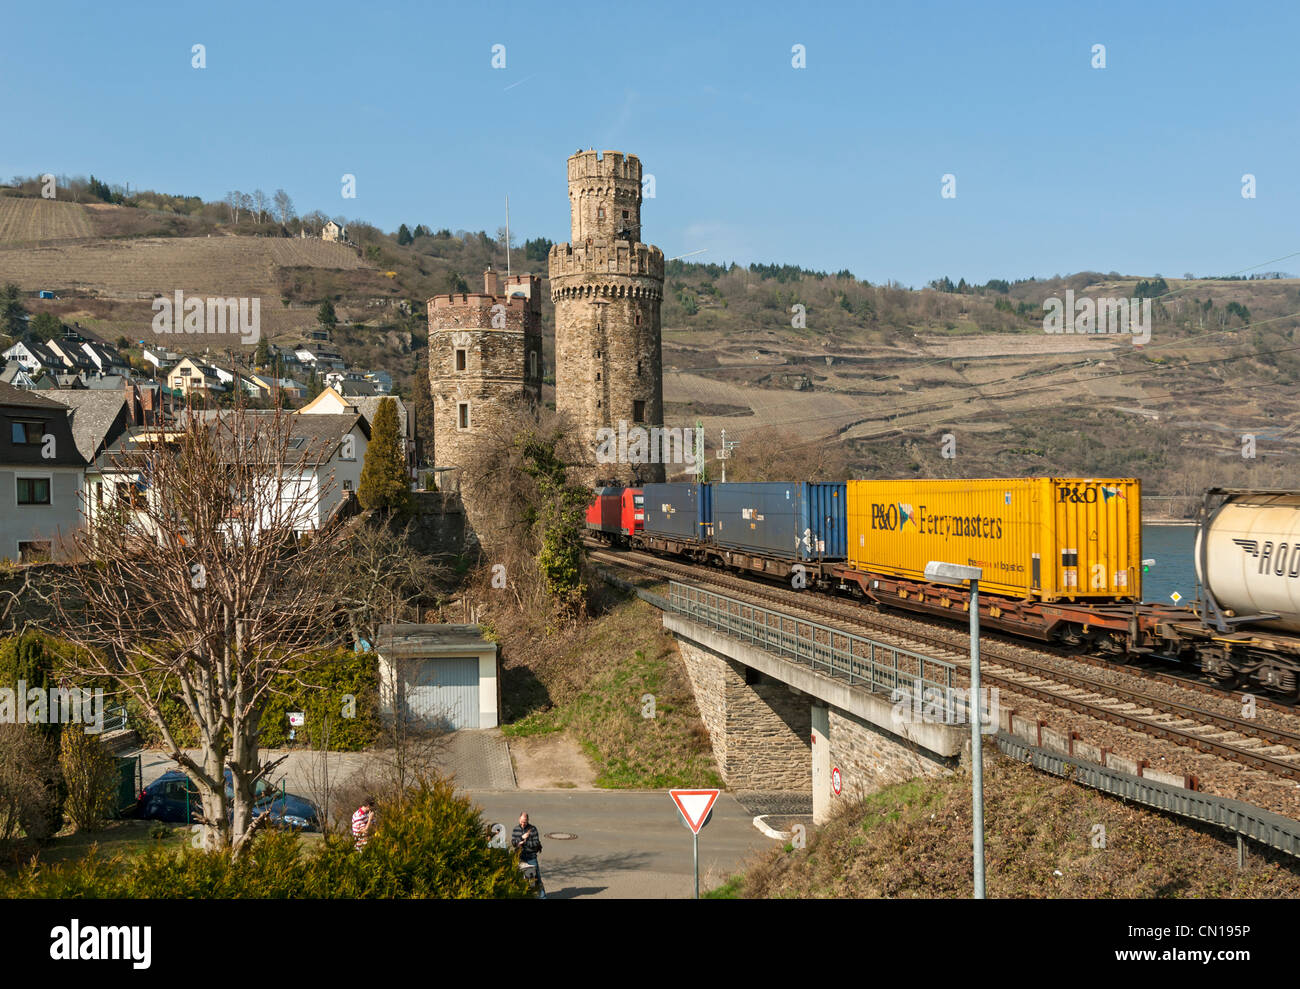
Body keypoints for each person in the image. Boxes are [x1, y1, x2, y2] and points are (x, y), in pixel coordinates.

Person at [511, 811, 545, 897]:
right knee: (522, 880)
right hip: (520, 858)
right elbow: (513, 843)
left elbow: (536, 843)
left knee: (536, 879)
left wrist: (526, 843)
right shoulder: (516, 829)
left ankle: (542, 897)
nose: (523, 824)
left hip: (531, 858)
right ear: (519, 819)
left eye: (525, 822)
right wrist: (520, 838)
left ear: (528, 820)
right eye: (521, 822)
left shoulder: (533, 829)